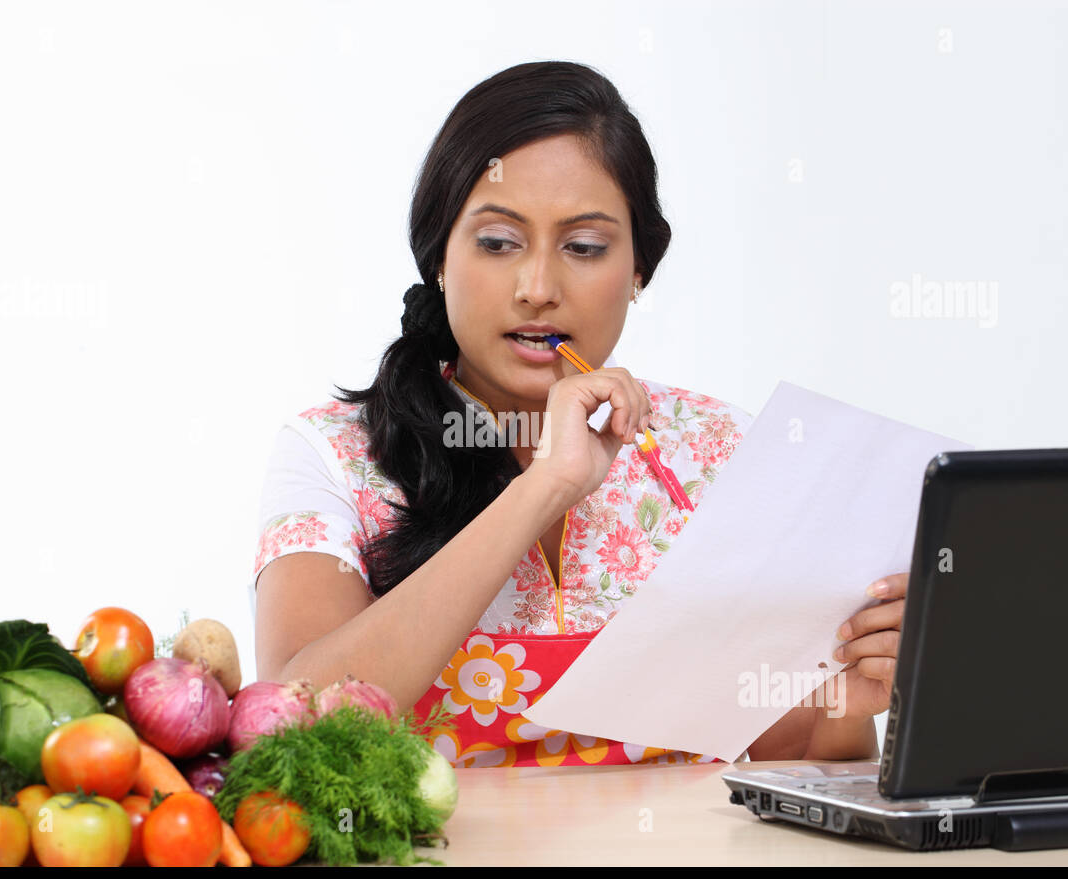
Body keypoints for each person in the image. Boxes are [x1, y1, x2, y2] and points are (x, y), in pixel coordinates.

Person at [252, 60, 907, 768]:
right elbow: (292, 728)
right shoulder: (335, 454)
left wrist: (849, 688)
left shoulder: (720, 451)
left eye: (584, 248)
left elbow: (795, 761)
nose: (538, 288)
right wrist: (546, 487)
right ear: (439, 256)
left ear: (638, 272)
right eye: (498, 243)